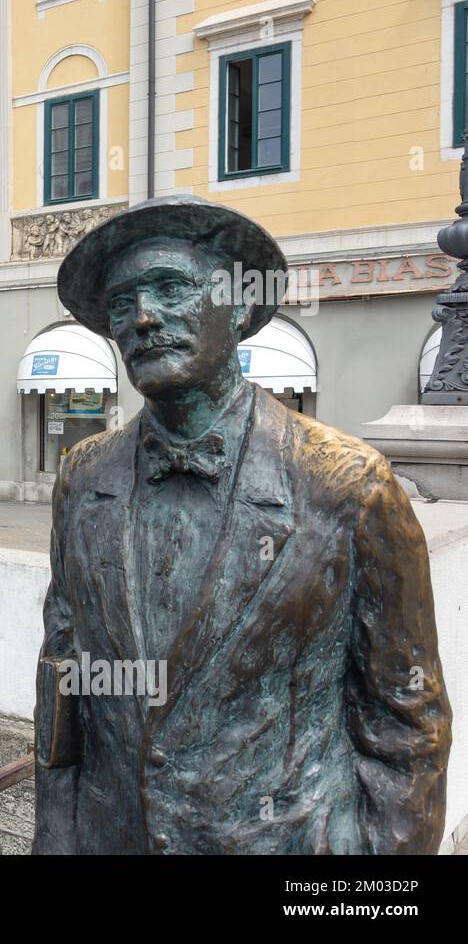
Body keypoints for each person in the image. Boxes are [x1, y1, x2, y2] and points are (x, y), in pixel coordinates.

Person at [34, 196, 451, 854]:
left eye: (171, 288)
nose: (143, 317)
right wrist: (56, 838)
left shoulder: (347, 485)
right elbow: (64, 680)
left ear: (235, 304)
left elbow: (408, 726)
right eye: (122, 303)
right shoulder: (83, 478)